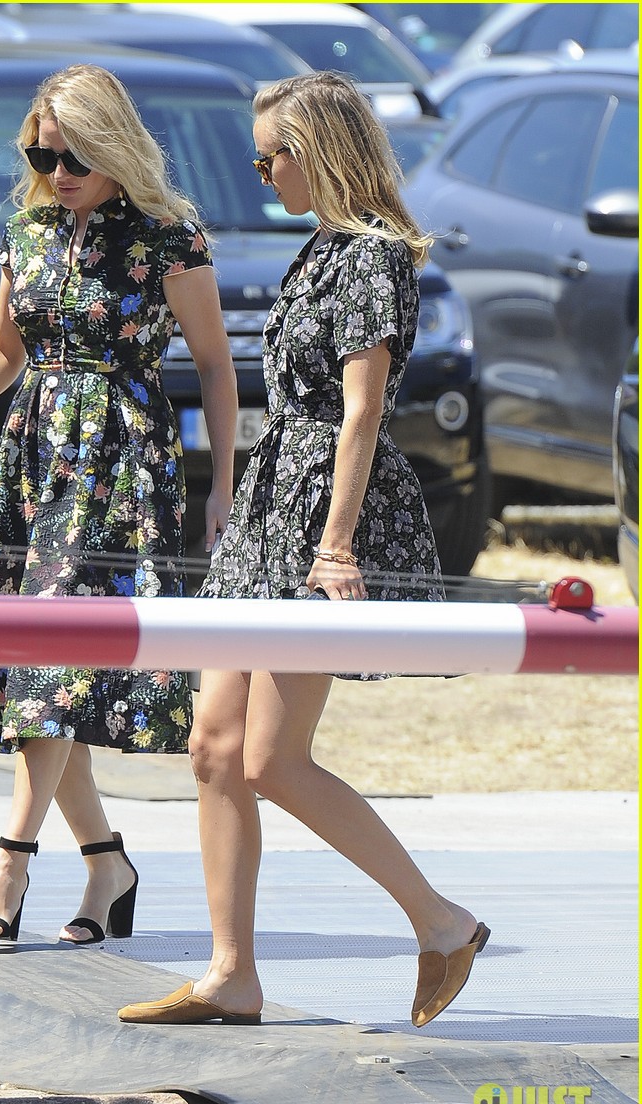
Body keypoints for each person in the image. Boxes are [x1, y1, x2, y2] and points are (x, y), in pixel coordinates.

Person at [118, 72, 488, 1029]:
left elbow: (362, 412)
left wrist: (335, 546)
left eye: (270, 157)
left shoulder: (372, 255)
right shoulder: (320, 246)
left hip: (322, 508)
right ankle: (231, 973)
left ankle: (442, 921)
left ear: (318, 149)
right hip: (269, 502)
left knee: (274, 759)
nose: (262, 174)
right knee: (212, 747)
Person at [0, 64, 238, 946]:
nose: (57, 173)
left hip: (123, 462)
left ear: (113, 148)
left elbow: (214, 365)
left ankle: (10, 860)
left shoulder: (169, 238)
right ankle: (106, 863)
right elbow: (4, 356)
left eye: (74, 157)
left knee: (53, 663)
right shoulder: (26, 233)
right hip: (35, 458)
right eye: (42, 155)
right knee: (49, 674)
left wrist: (222, 484)